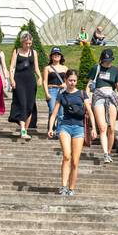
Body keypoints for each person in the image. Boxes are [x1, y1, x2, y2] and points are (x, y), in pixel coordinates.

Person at [48, 68, 97, 198]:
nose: (72, 83)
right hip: (65, 126)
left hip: (79, 128)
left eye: (74, 80)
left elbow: (90, 112)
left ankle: (71, 187)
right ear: (66, 80)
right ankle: (63, 186)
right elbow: (54, 114)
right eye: (70, 80)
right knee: (66, 156)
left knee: (75, 161)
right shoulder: (62, 95)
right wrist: (50, 128)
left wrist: (94, 129)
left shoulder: (82, 94)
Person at [86, 48, 118, 163]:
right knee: (102, 127)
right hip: (98, 96)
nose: (107, 62)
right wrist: (87, 98)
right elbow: (89, 85)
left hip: (111, 96)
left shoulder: (116, 71)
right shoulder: (96, 68)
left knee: (111, 128)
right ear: (102, 59)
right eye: (105, 60)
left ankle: (108, 152)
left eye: (109, 60)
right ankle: (104, 153)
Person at [9, 31, 42, 140]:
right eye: (26, 43)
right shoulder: (16, 51)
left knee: (29, 106)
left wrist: (40, 77)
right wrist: (12, 79)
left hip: (30, 81)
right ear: (22, 42)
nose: (28, 45)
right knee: (22, 104)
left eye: (29, 43)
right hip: (19, 80)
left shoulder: (34, 52)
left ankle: (25, 130)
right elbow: (12, 67)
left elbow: (36, 68)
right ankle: (23, 129)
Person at [44, 48, 67, 130]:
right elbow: (44, 81)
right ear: (51, 56)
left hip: (62, 91)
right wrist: (47, 93)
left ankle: (59, 131)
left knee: (61, 113)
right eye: (54, 54)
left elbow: (68, 80)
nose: (56, 56)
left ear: (61, 57)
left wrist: (65, 84)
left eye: (58, 54)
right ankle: (51, 128)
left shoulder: (65, 68)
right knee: (52, 110)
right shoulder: (47, 68)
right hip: (52, 90)